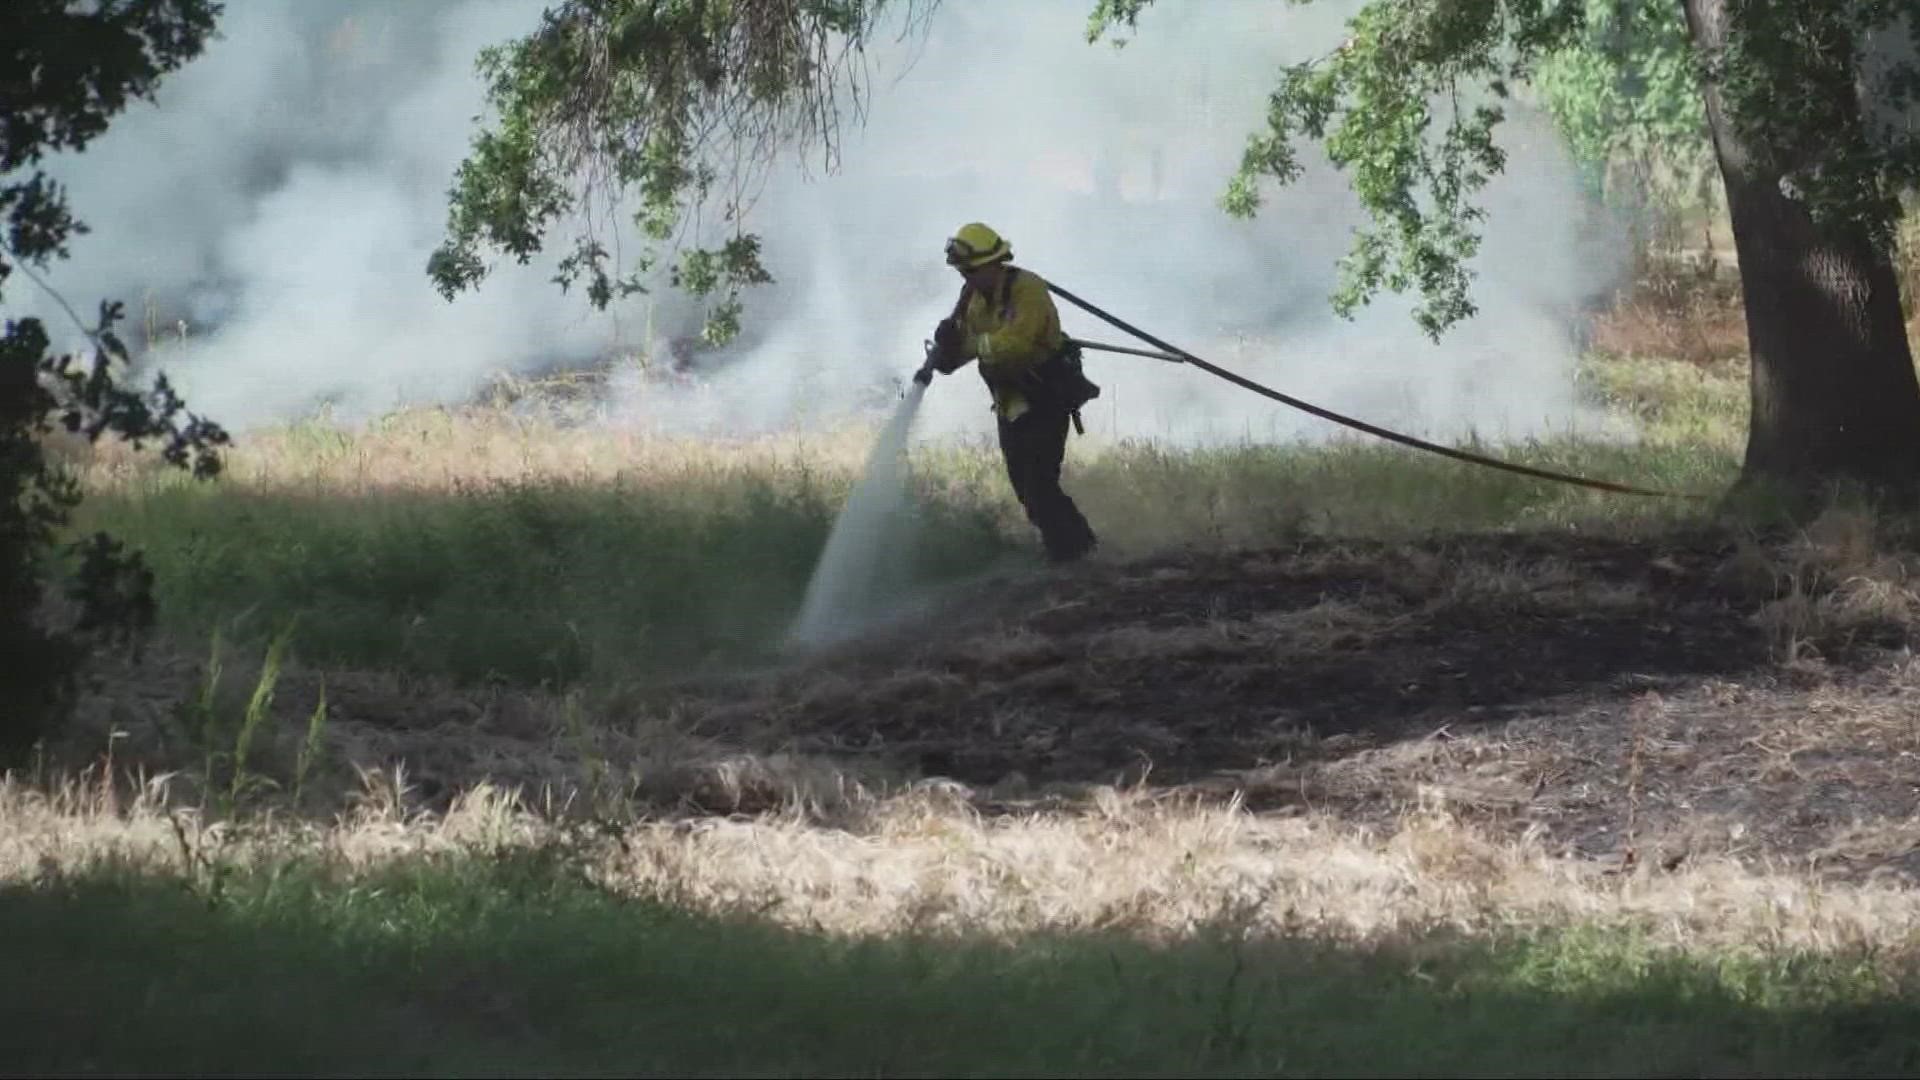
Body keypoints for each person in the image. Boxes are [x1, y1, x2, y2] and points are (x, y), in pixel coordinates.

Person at [915, 222, 1100, 564]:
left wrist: (968, 343)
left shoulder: (1028, 290)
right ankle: (1066, 548)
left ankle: (1080, 554)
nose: (965, 278)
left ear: (993, 263)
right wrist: (946, 353)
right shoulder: (973, 301)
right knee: (1025, 492)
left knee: (1040, 485)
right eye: (962, 272)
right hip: (1010, 404)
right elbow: (966, 354)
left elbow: (1016, 343)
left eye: (970, 270)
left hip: (1047, 398)